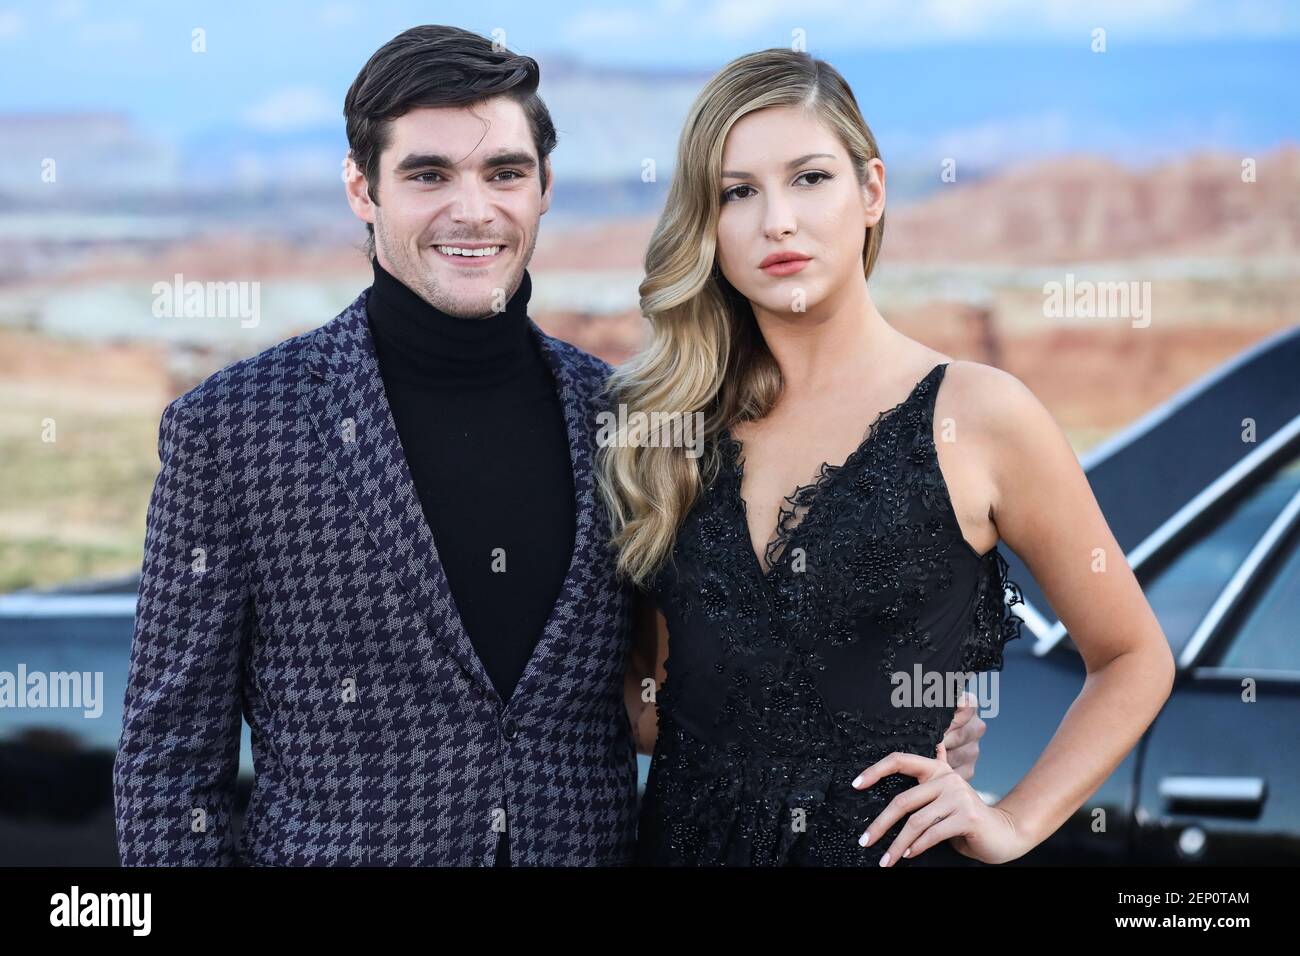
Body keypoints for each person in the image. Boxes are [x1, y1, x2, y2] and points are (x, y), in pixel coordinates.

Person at [112, 25, 988, 867]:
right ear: (361, 188)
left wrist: (894, 707)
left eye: (504, 171)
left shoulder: (629, 419)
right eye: (427, 174)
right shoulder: (232, 429)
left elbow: (677, 687)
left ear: (543, 187)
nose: (473, 208)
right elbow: (167, 763)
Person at [599, 49, 1176, 866]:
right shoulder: (667, 428)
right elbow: (659, 706)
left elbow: (1133, 657)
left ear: (870, 192)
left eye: (809, 178)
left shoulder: (979, 416)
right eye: (738, 192)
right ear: (708, 226)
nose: (778, 222)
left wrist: (1012, 821)